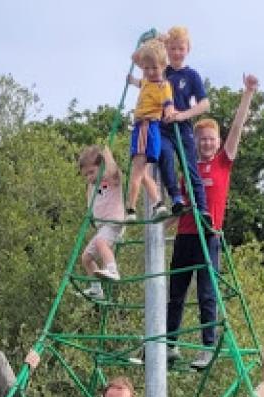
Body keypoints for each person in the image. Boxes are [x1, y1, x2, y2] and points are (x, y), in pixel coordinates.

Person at [166, 74, 259, 370]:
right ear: (195, 142)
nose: (206, 143)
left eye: (211, 139)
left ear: (217, 142)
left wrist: (247, 94)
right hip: (185, 235)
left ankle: (207, 347)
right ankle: (170, 345)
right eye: (202, 139)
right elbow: (180, 207)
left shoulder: (222, 162)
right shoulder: (189, 170)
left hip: (209, 235)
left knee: (207, 293)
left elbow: (237, 128)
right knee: (176, 293)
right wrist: (159, 228)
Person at [124, 37, 186, 222]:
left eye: (154, 68)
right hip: (145, 129)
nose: (150, 72)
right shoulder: (146, 81)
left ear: (163, 66)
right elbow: (135, 58)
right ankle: (158, 204)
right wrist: (152, 43)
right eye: (146, 68)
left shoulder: (162, 85)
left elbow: (168, 103)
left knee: (137, 171)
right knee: (143, 172)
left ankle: (130, 209)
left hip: (146, 127)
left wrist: (170, 111)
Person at [159, 26, 209, 218]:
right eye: (172, 48)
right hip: (163, 128)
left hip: (182, 127)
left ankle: (202, 208)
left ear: (188, 49)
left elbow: (204, 104)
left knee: (190, 166)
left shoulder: (191, 75)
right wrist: (158, 40)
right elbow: (144, 59)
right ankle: (176, 197)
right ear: (166, 49)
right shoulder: (162, 72)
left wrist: (182, 115)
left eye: (181, 48)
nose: (176, 53)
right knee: (165, 156)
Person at [77, 145, 127, 301]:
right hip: (103, 226)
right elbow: (91, 202)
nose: (89, 177)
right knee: (86, 258)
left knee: (100, 242)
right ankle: (96, 288)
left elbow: (114, 172)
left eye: (92, 172)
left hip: (114, 222)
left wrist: (107, 156)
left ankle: (113, 270)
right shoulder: (92, 186)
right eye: (86, 175)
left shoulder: (110, 179)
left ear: (102, 167)